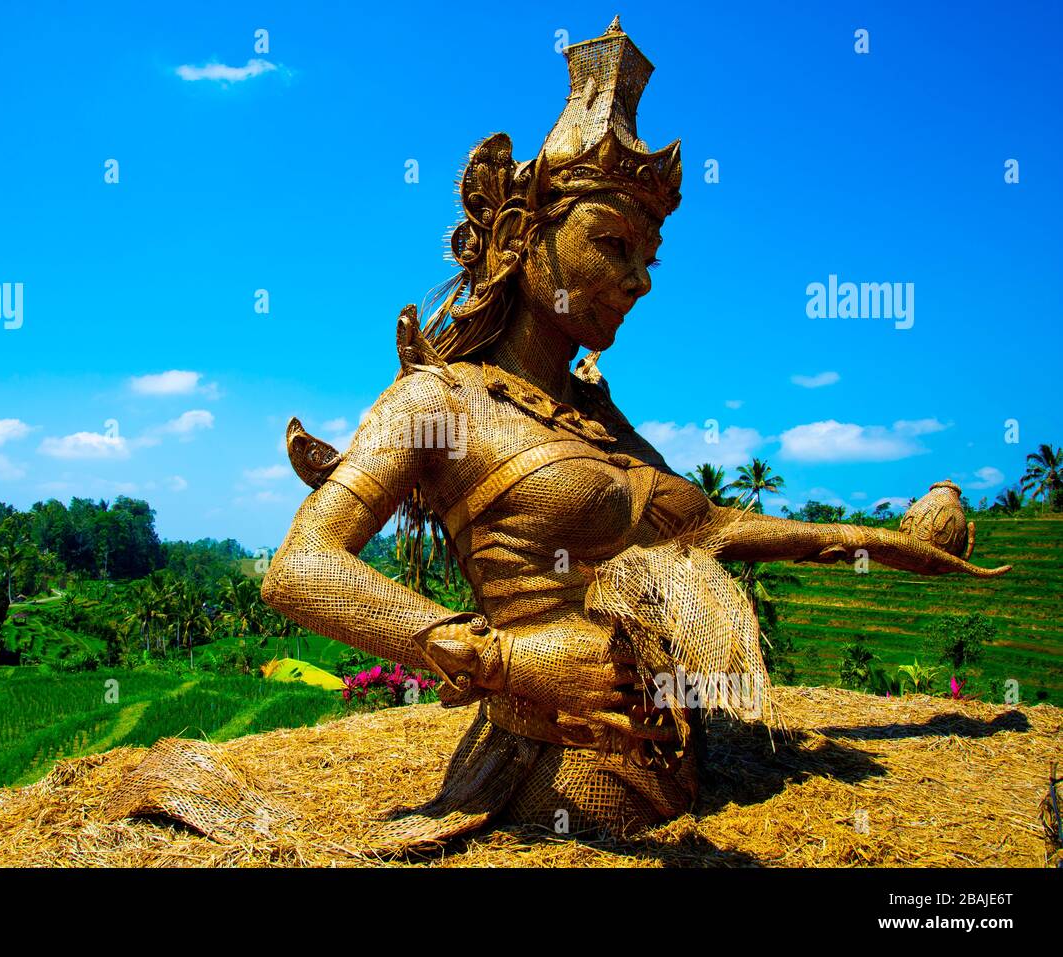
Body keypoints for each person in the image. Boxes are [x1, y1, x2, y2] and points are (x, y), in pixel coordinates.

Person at [262, 18, 1007, 846]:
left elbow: (716, 527)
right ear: (521, 237)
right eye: (613, 243)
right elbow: (300, 568)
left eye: (648, 256)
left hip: (678, 769)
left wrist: (871, 543)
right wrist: (505, 662)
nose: (638, 279)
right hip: (558, 769)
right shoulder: (440, 400)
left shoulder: (596, 414)